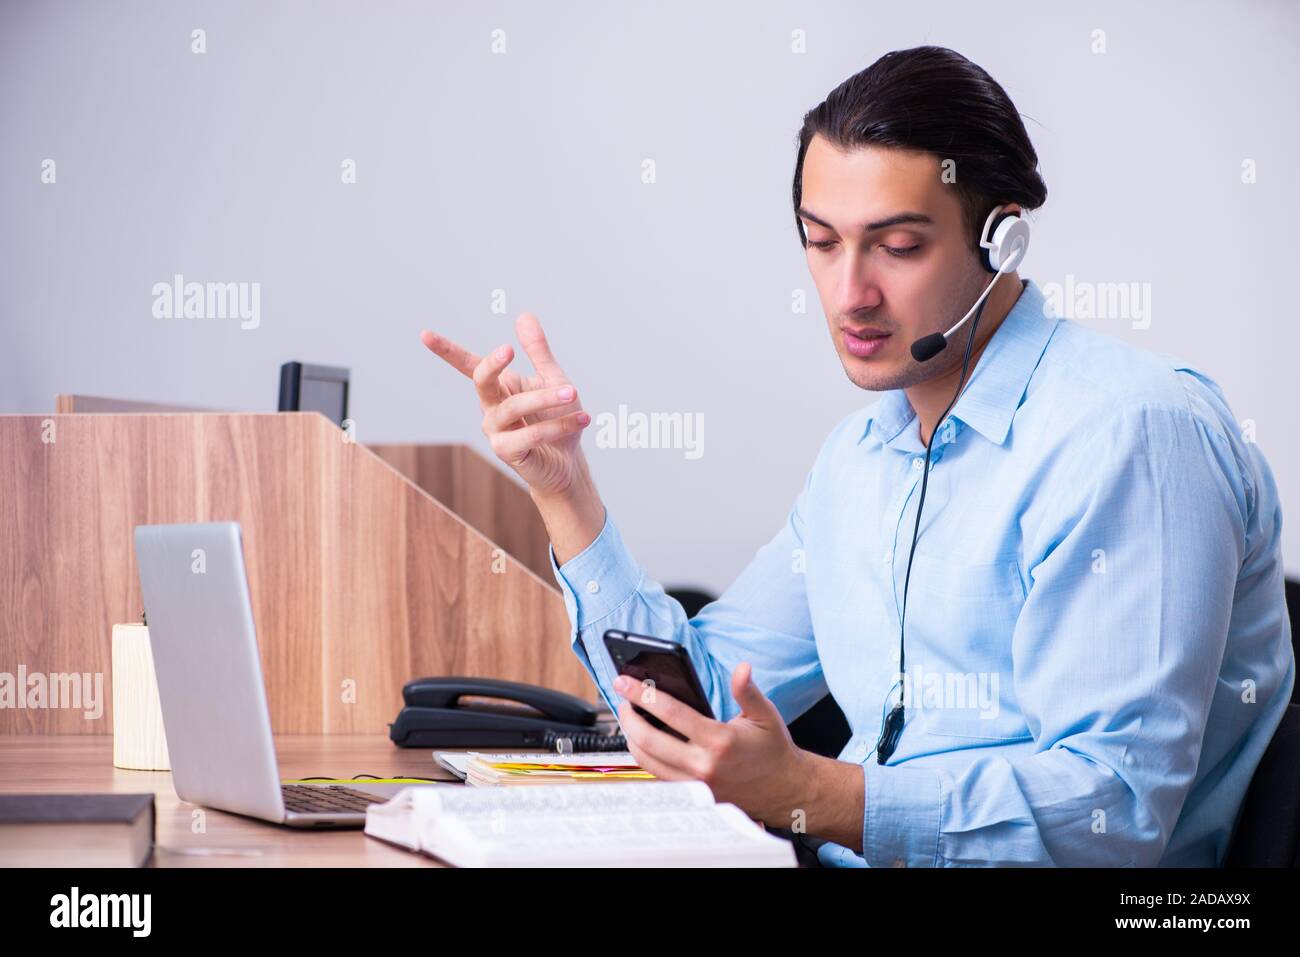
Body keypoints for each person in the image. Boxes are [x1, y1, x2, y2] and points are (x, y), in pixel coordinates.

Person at [420, 45, 1293, 867]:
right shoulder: (862, 457)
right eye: (822, 239)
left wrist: (817, 792)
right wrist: (565, 494)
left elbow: (1114, 810)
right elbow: (708, 708)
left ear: (1004, 240)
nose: (850, 294)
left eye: (899, 245)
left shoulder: (1131, 431)